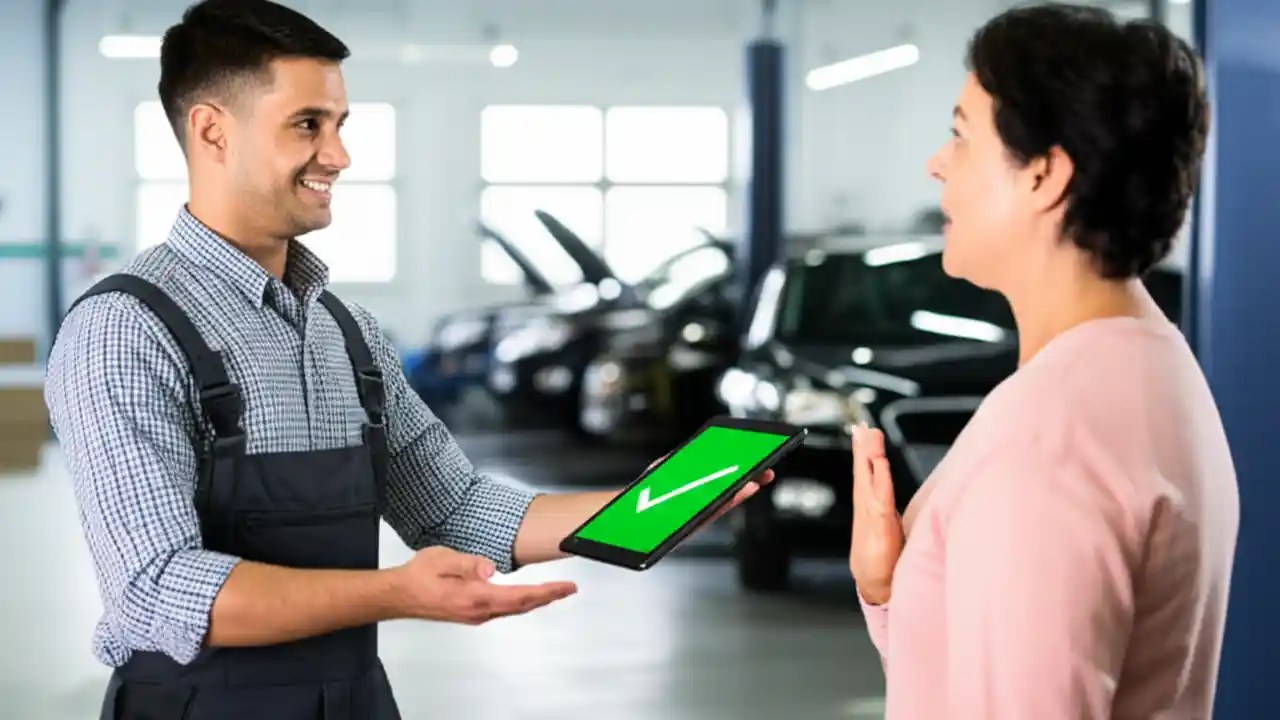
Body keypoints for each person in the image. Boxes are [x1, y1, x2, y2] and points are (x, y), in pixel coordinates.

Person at [43, 2, 771, 719]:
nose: (339, 155)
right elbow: (156, 588)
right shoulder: (125, 329)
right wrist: (396, 592)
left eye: (339, 125)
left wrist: (646, 509)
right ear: (212, 132)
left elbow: (456, 508)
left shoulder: (346, 332)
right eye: (307, 125)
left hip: (354, 700)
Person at [847, 4, 1238, 718]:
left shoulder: (1047, 441)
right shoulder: (1152, 367)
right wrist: (890, 588)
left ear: (1044, 176)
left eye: (962, 136)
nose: (937, 162)